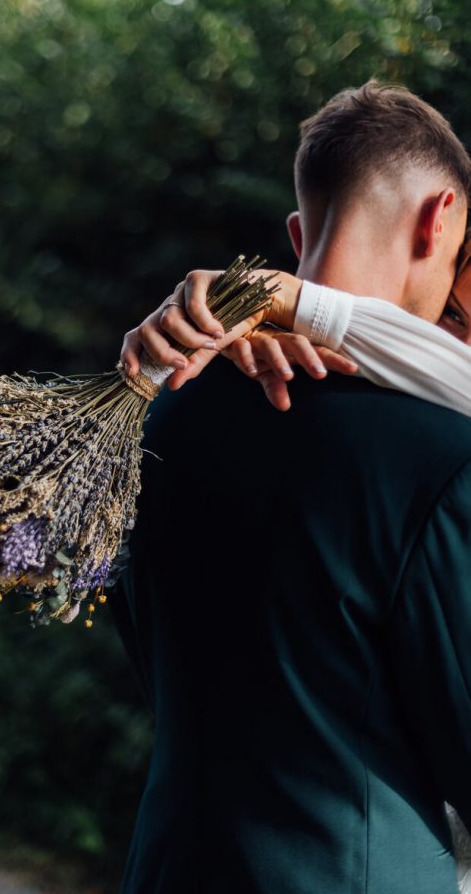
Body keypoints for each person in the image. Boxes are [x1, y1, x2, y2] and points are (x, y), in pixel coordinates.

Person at [108, 80, 471, 894]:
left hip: (169, 865)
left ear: (298, 231)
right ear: (437, 218)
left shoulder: (166, 414)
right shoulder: (442, 460)